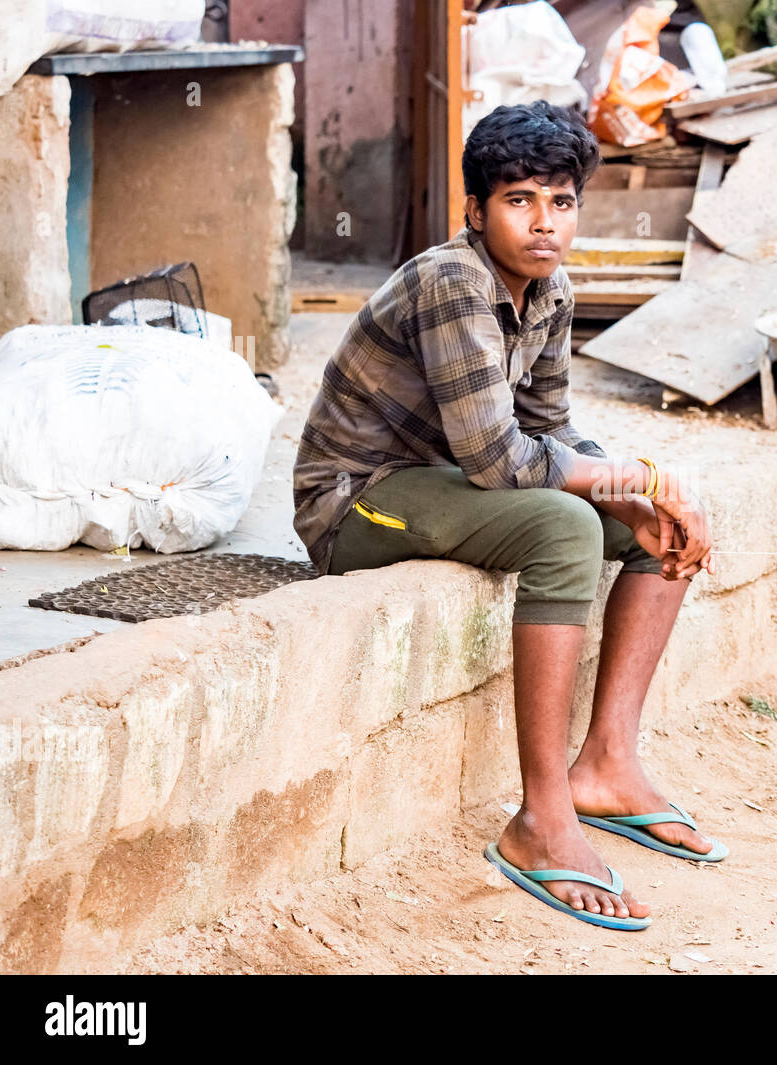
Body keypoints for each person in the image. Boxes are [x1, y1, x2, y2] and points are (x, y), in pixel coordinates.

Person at [292, 101, 724, 931]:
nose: (544, 223)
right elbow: (501, 462)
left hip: (441, 477)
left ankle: (607, 763)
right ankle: (542, 818)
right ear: (475, 210)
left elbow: (553, 433)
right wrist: (636, 476)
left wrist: (644, 497)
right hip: (357, 500)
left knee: (644, 525)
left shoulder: (550, 289)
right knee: (570, 525)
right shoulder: (452, 282)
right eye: (520, 199)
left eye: (561, 202)